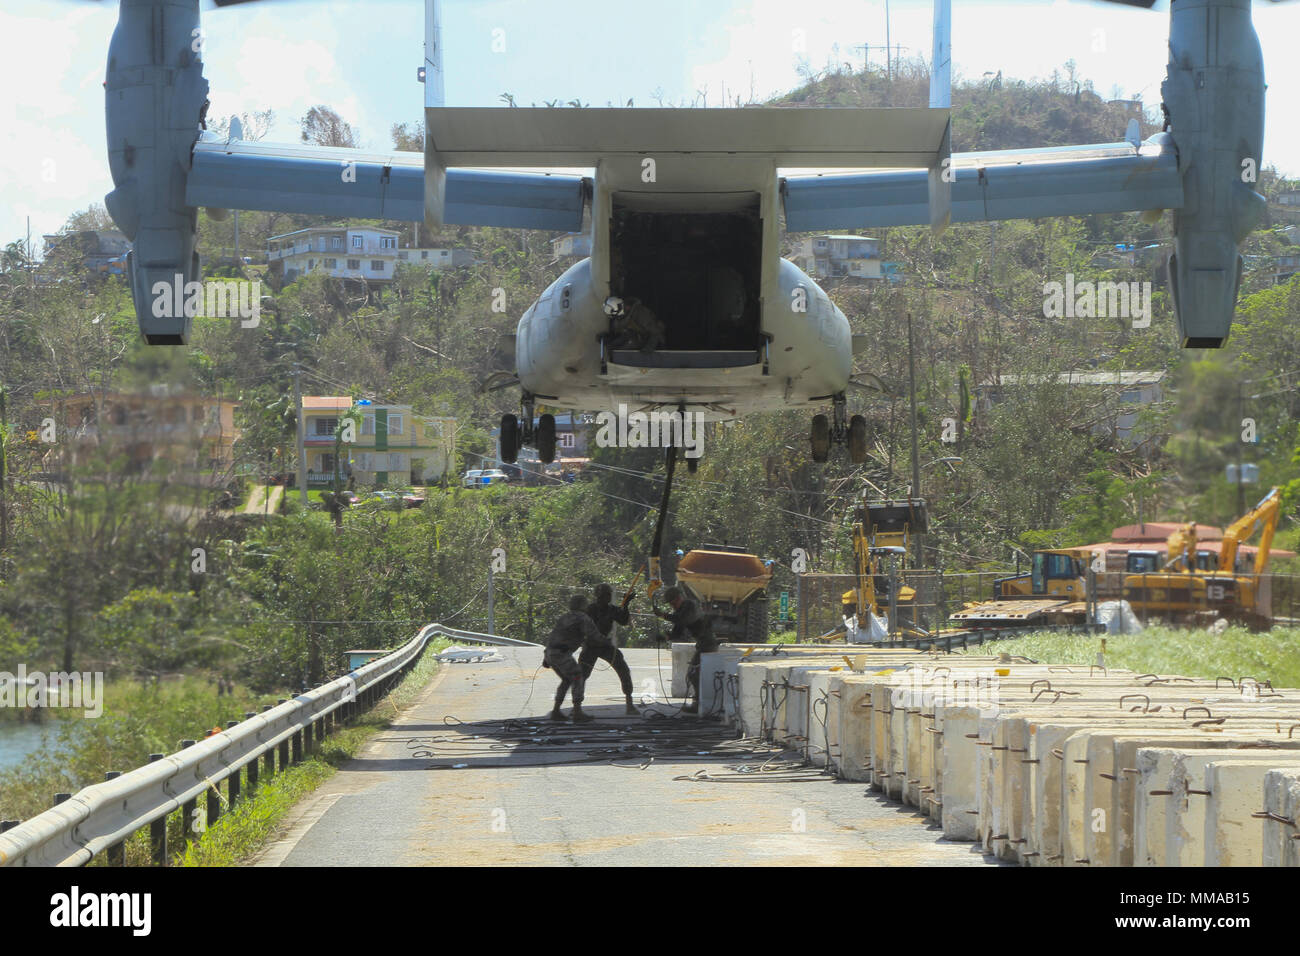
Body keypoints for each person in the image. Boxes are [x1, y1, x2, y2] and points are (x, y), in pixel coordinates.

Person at [653, 585, 718, 714]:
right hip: (702, 643)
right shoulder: (679, 612)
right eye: (671, 604)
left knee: (694, 674)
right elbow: (678, 632)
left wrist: (663, 615)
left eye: (674, 602)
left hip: (708, 643)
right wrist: (665, 636)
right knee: (694, 674)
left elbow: (684, 620)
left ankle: (699, 704)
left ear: (680, 598)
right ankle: (699, 703)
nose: (673, 606)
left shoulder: (691, 606)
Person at [543, 593, 603, 722]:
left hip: (550, 652)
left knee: (566, 679)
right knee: (577, 676)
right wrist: (607, 643)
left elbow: (553, 634)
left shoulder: (564, 617)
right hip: (562, 653)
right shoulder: (583, 618)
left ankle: (556, 711)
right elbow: (594, 636)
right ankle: (577, 712)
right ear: (583, 605)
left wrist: (546, 657)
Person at [580, 583, 637, 716]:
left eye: (608, 595)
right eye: (605, 595)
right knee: (581, 675)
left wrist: (626, 604)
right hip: (591, 646)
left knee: (623, 668)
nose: (607, 598)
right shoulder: (590, 610)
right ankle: (577, 706)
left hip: (605, 645)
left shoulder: (611, 609)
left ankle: (629, 704)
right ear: (598, 596)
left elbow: (623, 620)